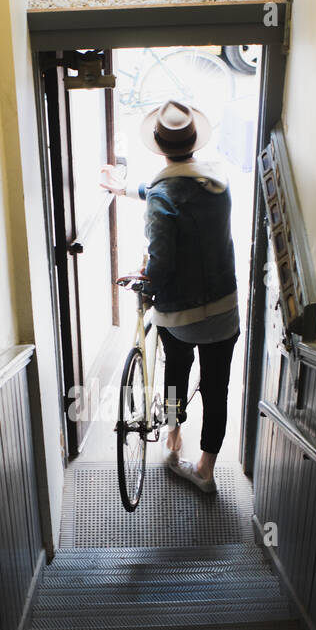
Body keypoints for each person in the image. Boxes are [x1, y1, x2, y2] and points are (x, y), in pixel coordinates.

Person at [100, 100, 239, 494]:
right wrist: (125, 188)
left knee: (176, 376)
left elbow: (161, 259)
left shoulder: (163, 196)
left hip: (182, 317)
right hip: (225, 312)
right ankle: (206, 470)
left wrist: (143, 277)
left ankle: (174, 442)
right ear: (195, 142)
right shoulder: (218, 180)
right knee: (217, 390)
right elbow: (172, 190)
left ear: (158, 146)